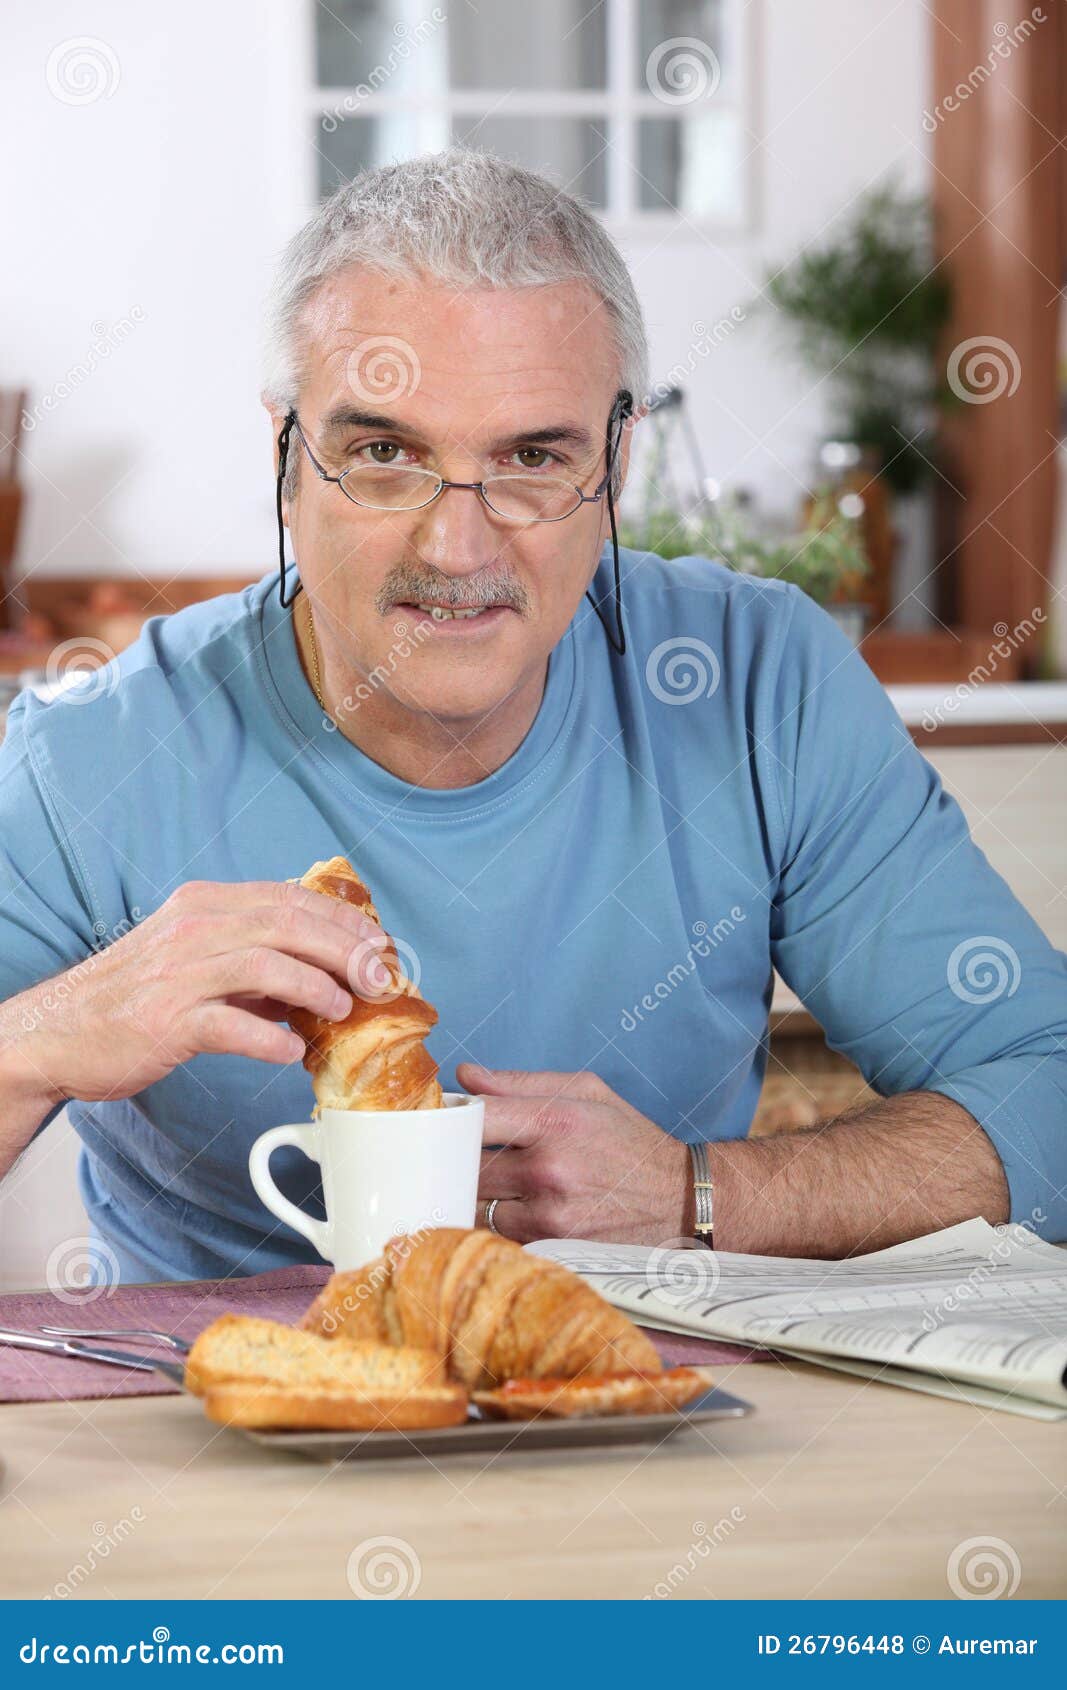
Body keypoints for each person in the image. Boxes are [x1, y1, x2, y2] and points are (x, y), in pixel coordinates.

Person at [0, 149, 1063, 1285]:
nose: (455, 550)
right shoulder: (90, 756)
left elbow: (1043, 1081)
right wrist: (40, 1040)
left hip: (655, 1408)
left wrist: (698, 1195)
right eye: (382, 454)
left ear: (615, 458)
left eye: (532, 459)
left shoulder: (759, 681)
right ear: (284, 454)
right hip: (212, 1427)